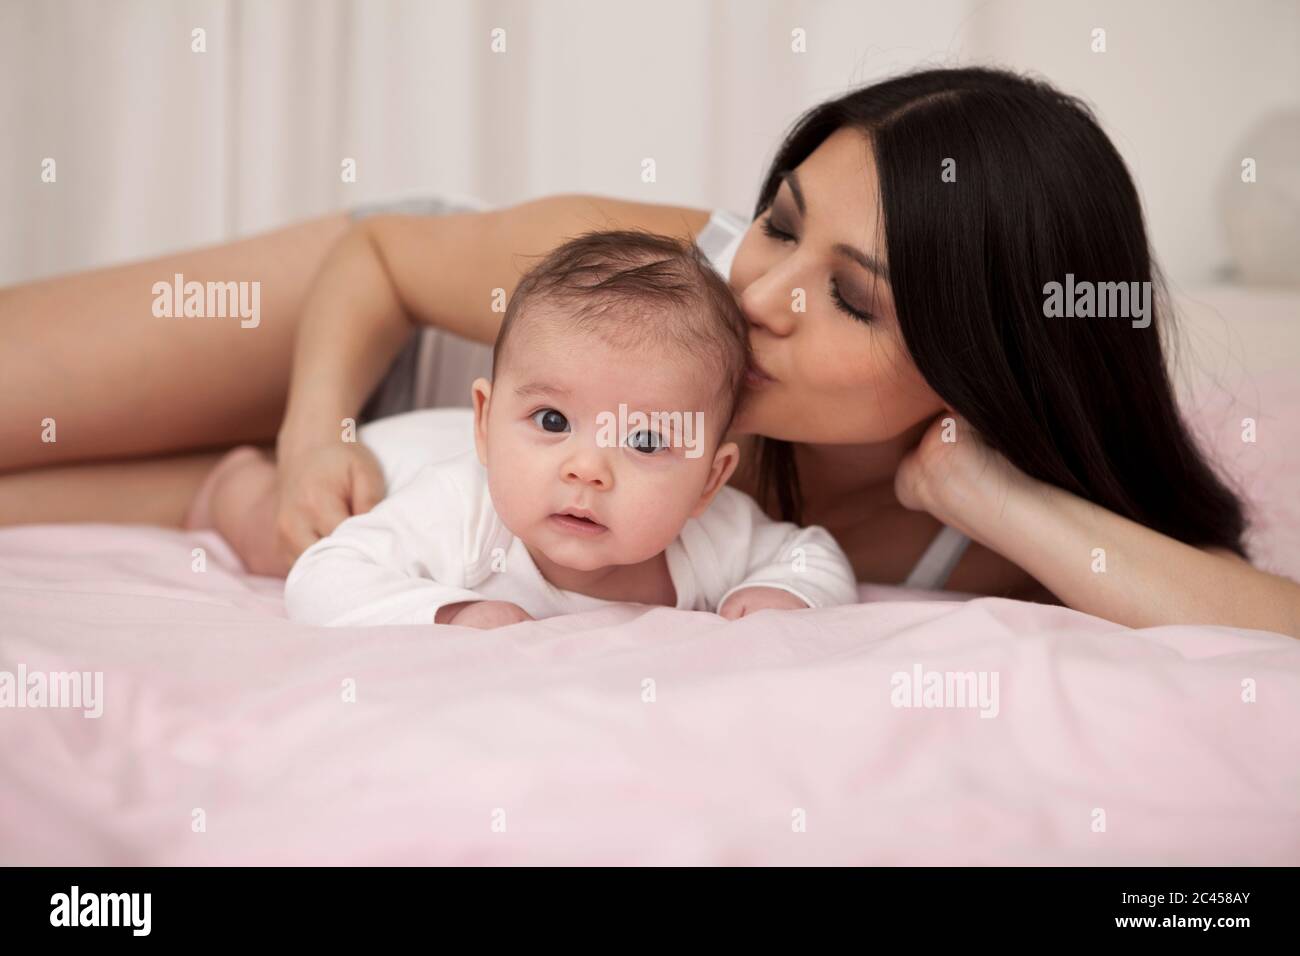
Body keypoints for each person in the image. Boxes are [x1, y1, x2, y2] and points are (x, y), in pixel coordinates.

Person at [3, 66, 1298, 636]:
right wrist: (313, 435)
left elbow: (1270, 630)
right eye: (781, 223)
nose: (760, 294)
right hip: (385, 358)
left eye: (850, 300)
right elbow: (385, 260)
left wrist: (990, 494)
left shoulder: (969, 537)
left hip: (407, 491)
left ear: (973, 371)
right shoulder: (671, 267)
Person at [269, 230, 856, 627]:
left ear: (710, 478)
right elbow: (321, 577)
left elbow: (813, 556)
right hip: (380, 461)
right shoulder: (462, 512)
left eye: (646, 440)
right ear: (487, 420)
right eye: (552, 421)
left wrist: (782, 596)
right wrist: (451, 614)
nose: (587, 469)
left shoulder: (711, 540)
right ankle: (235, 481)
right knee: (277, 525)